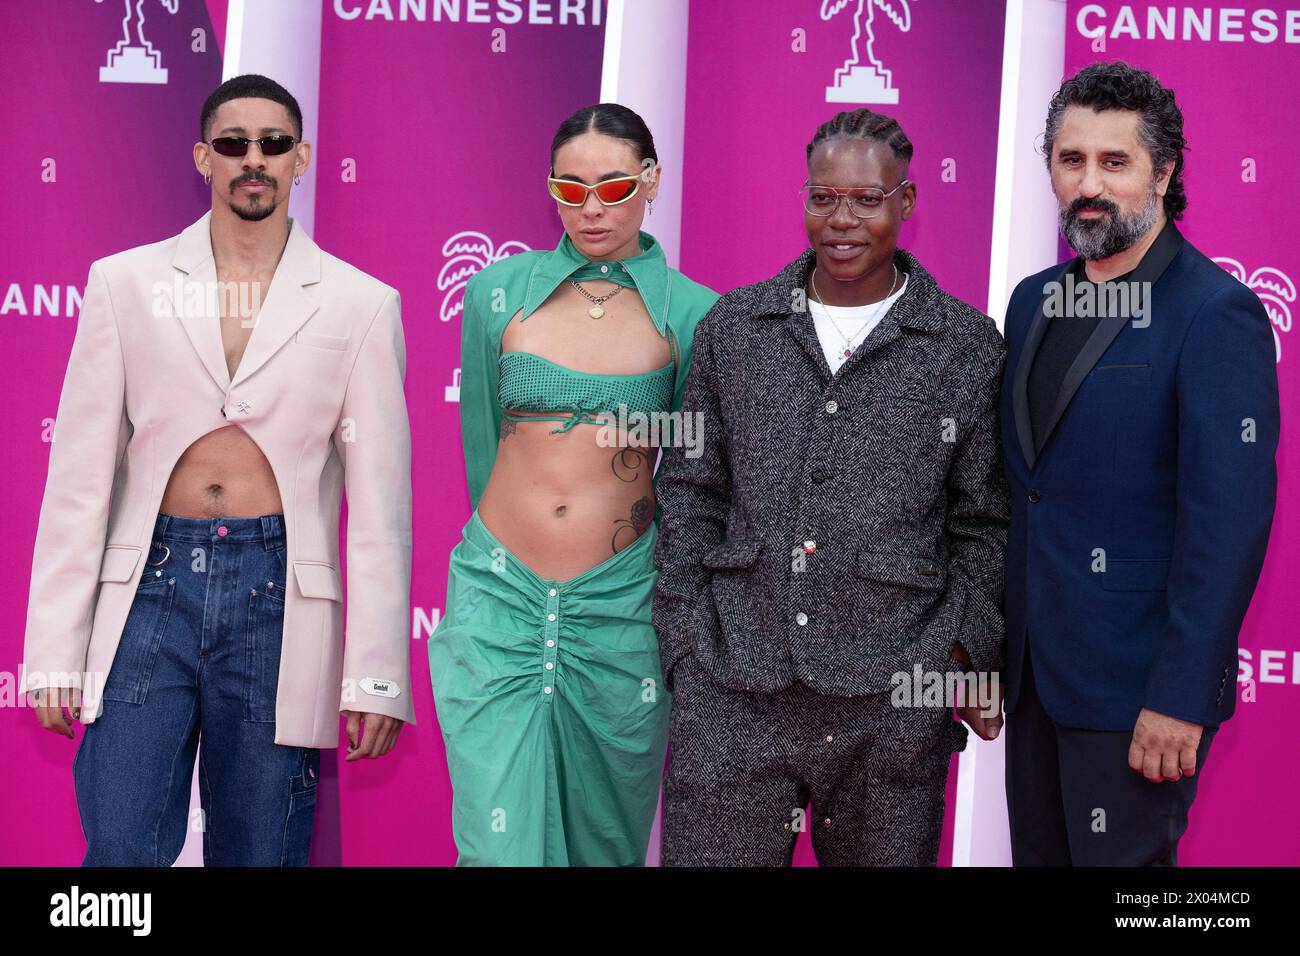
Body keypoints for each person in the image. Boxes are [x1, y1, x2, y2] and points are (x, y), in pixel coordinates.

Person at [20, 74, 414, 866]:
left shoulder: (360, 303)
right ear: (204, 157)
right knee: (122, 847)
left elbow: (379, 513)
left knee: (260, 852)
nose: (253, 159)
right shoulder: (124, 283)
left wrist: (376, 676)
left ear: (302, 157)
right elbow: (78, 480)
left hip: (278, 597)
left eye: (273, 143)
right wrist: (55, 652)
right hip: (147, 591)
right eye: (233, 144)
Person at [653, 108, 1009, 867]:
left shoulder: (966, 346)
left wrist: (954, 650)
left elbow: (985, 521)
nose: (841, 219)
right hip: (734, 685)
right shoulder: (735, 327)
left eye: (867, 199)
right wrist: (684, 642)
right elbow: (690, 492)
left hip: (892, 701)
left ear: (905, 203)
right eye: (823, 197)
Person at [1000, 61, 1279, 866]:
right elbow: (1029, 494)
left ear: (1164, 171)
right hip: (1034, 681)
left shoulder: (1214, 313)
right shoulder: (1033, 301)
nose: (1089, 184)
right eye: (1070, 159)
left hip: (1138, 698)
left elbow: (1226, 526)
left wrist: (1181, 699)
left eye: (1114, 163)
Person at [429, 103, 719, 866]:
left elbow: (694, 478)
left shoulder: (695, 314)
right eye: (571, 188)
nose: (592, 209)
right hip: (498, 598)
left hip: (621, 608)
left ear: (652, 180)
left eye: (616, 188)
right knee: (495, 847)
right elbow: (484, 441)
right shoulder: (498, 293)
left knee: (604, 841)